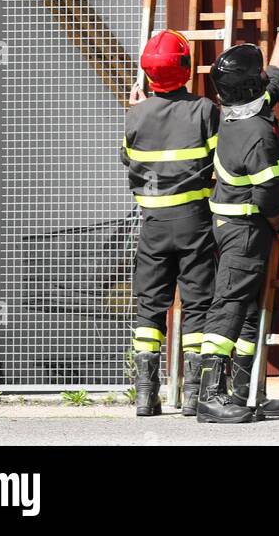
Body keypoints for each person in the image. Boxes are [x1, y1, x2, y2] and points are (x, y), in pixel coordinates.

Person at [195, 0, 279, 423]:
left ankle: (240, 394)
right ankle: (210, 397)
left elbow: (273, 75)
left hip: (236, 225)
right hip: (244, 229)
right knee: (229, 304)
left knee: (244, 305)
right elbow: (268, 194)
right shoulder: (259, 135)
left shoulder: (241, 114)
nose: (264, 79)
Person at [122, 29, 218, 418]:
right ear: (186, 68)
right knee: (197, 303)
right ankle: (193, 394)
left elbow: (129, 161)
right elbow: (222, 163)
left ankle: (146, 395)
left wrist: (138, 111)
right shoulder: (205, 110)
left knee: (150, 305)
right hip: (195, 220)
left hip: (153, 222)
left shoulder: (136, 115)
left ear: (147, 73)